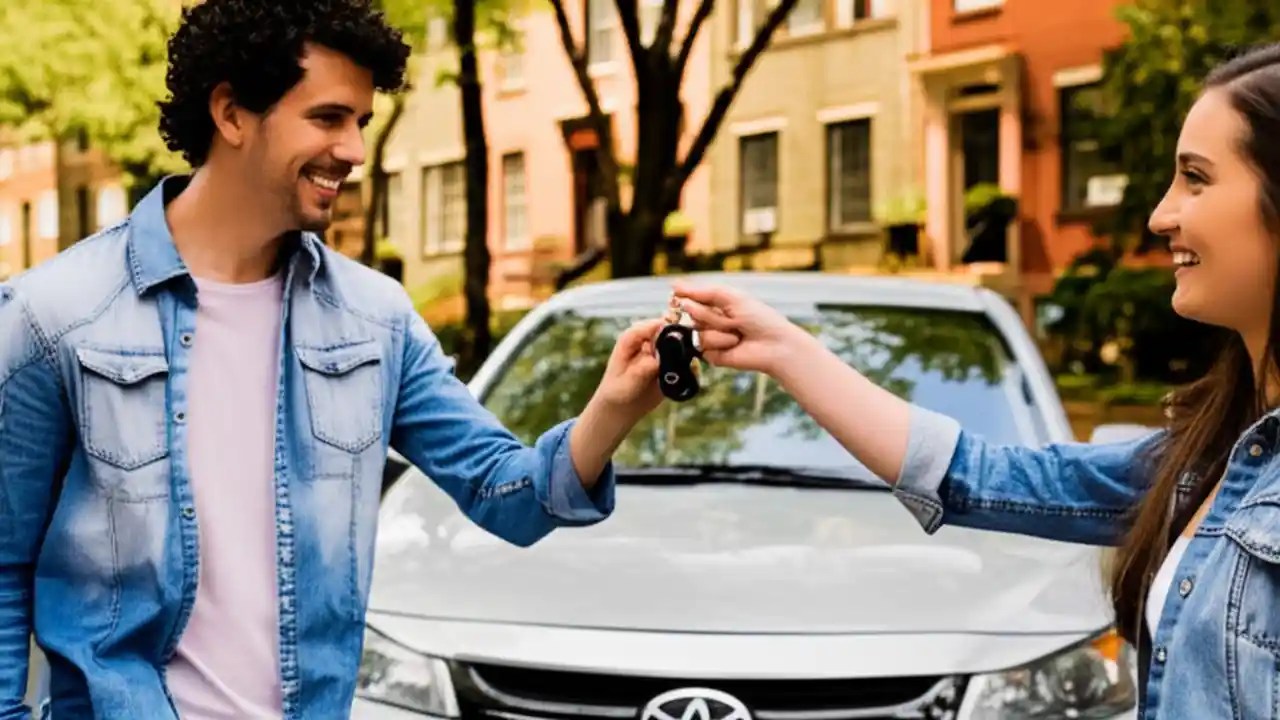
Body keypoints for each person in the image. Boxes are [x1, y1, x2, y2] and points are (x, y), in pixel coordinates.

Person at [0, 1, 666, 718]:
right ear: (231, 114)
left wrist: (616, 405)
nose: (353, 149)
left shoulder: (373, 320)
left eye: (360, 124)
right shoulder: (56, 315)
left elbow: (511, 494)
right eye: (327, 118)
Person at [673, 41, 1280, 720]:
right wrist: (786, 351)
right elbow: (982, 475)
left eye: (1196, 178)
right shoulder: (1210, 454)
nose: (1161, 215)